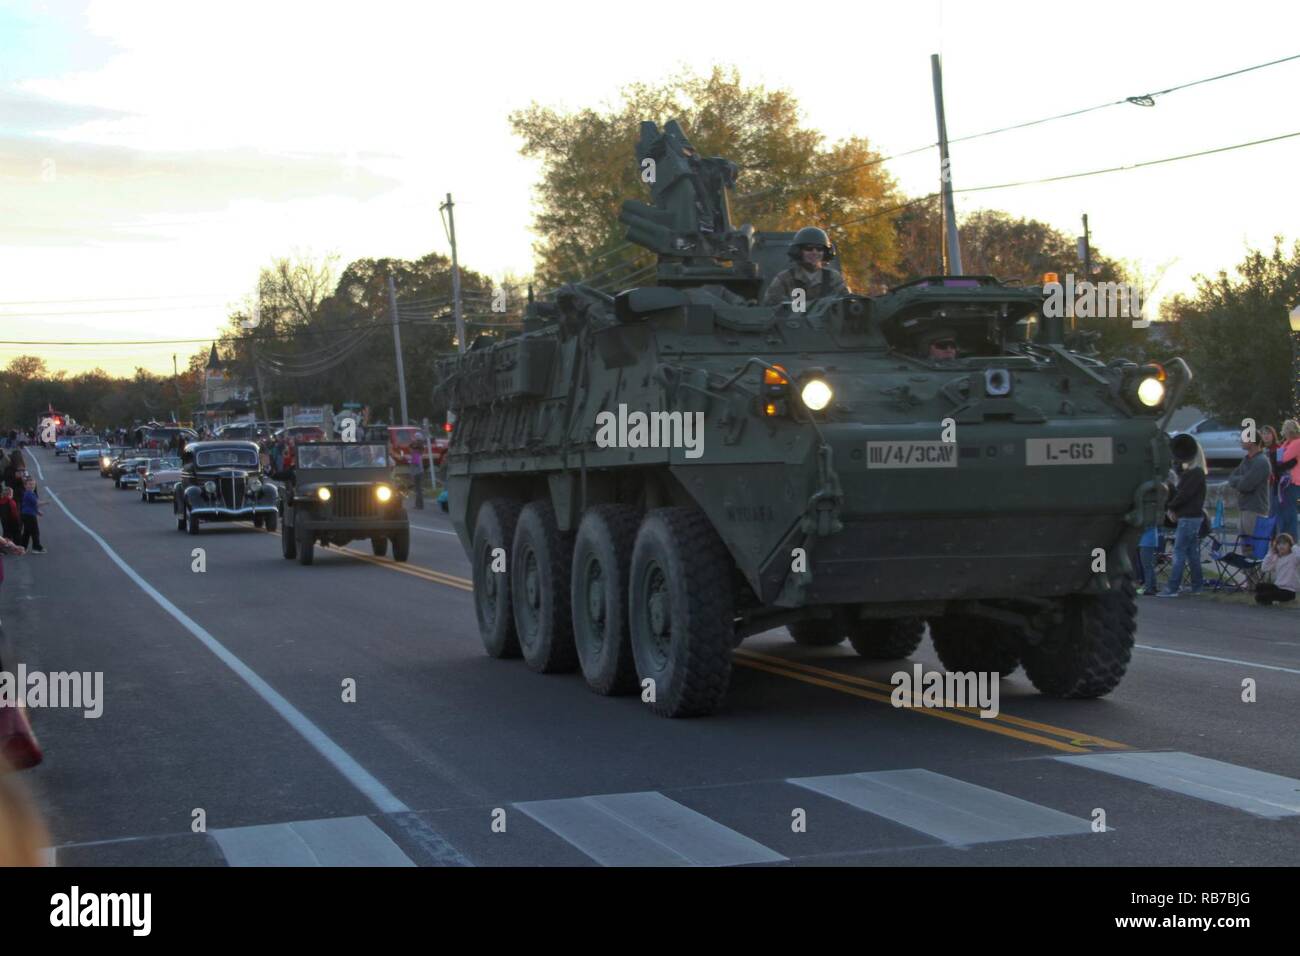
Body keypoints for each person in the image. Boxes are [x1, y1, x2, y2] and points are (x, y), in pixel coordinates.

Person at [1160, 439, 1207, 597]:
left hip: (1188, 517)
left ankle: (1172, 588)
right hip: (1192, 516)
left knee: (1179, 552)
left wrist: (1171, 507)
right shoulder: (1196, 473)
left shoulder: (1194, 473)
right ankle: (1197, 585)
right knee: (1191, 553)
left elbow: (1183, 495)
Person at [761, 227, 849, 307]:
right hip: (793, 323)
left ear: (825, 253)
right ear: (798, 252)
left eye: (819, 249)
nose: (814, 252)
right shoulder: (785, 278)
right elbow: (769, 305)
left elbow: (846, 303)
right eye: (809, 248)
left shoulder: (833, 278)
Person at [1227, 436, 1272, 537]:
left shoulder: (1261, 461)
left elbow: (1245, 486)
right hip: (1244, 508)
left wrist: (1241, 480)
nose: (1241, 441)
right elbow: (1231, 478)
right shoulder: (1246, 459)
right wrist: (1242, 478)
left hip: (1255, 509)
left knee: (1253, 547)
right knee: (1245, 547)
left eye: (1244, 439)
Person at [1255, 533, 1299, 605]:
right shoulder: (1277, 558)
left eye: (1284, 544)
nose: (1281, 546)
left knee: (1260, 597)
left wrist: (1293, 546)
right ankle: (1273, 600)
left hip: (1288, 591)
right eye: (1279, 544)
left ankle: (1274, 601)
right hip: (1278, 587)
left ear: (1289, 545)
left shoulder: (1293, 558)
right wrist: (1271, 552)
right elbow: (1264, 568)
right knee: (1259, 586)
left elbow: (1298, 555)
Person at [1276, 420, 1300, 541]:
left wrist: (1281, 451)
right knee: (1285, 511)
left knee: (1290, 512)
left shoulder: (1296, 443)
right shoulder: (1287, 443)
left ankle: (1292, 539)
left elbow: (1282, 458)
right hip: (1287, 481)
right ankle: (1286, 538)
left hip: (1293, 481)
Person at [1136, 517, 1164, 596]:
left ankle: (1149, 588)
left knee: (1146, 566)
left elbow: (1142, 528)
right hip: (1151, 542)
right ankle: (1153, 586)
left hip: (1145, 543)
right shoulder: (1154, 515)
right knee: (1150, 566)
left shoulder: (1148, 517)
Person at [19, 478, 44, 554]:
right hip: (29, 515)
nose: (32, 486)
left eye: (33, 484)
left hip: (28, 514)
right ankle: (36, 547)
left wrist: (37, 511)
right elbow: (36, 503)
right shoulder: (28, 494)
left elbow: (31, 505)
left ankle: (23, 547)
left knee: (27, 532)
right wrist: (46, 502)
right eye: (29, 484)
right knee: (35, 532)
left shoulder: (32, 493)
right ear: (25, 486)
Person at [409, 440, 425, 510]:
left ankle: (419, 505)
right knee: (419, 490)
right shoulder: (419, 453)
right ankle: (419, 505)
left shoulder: (415, 453)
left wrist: (410, 461)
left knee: (418, 490)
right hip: (419, 472)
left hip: (416, 473)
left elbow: (415, 462)